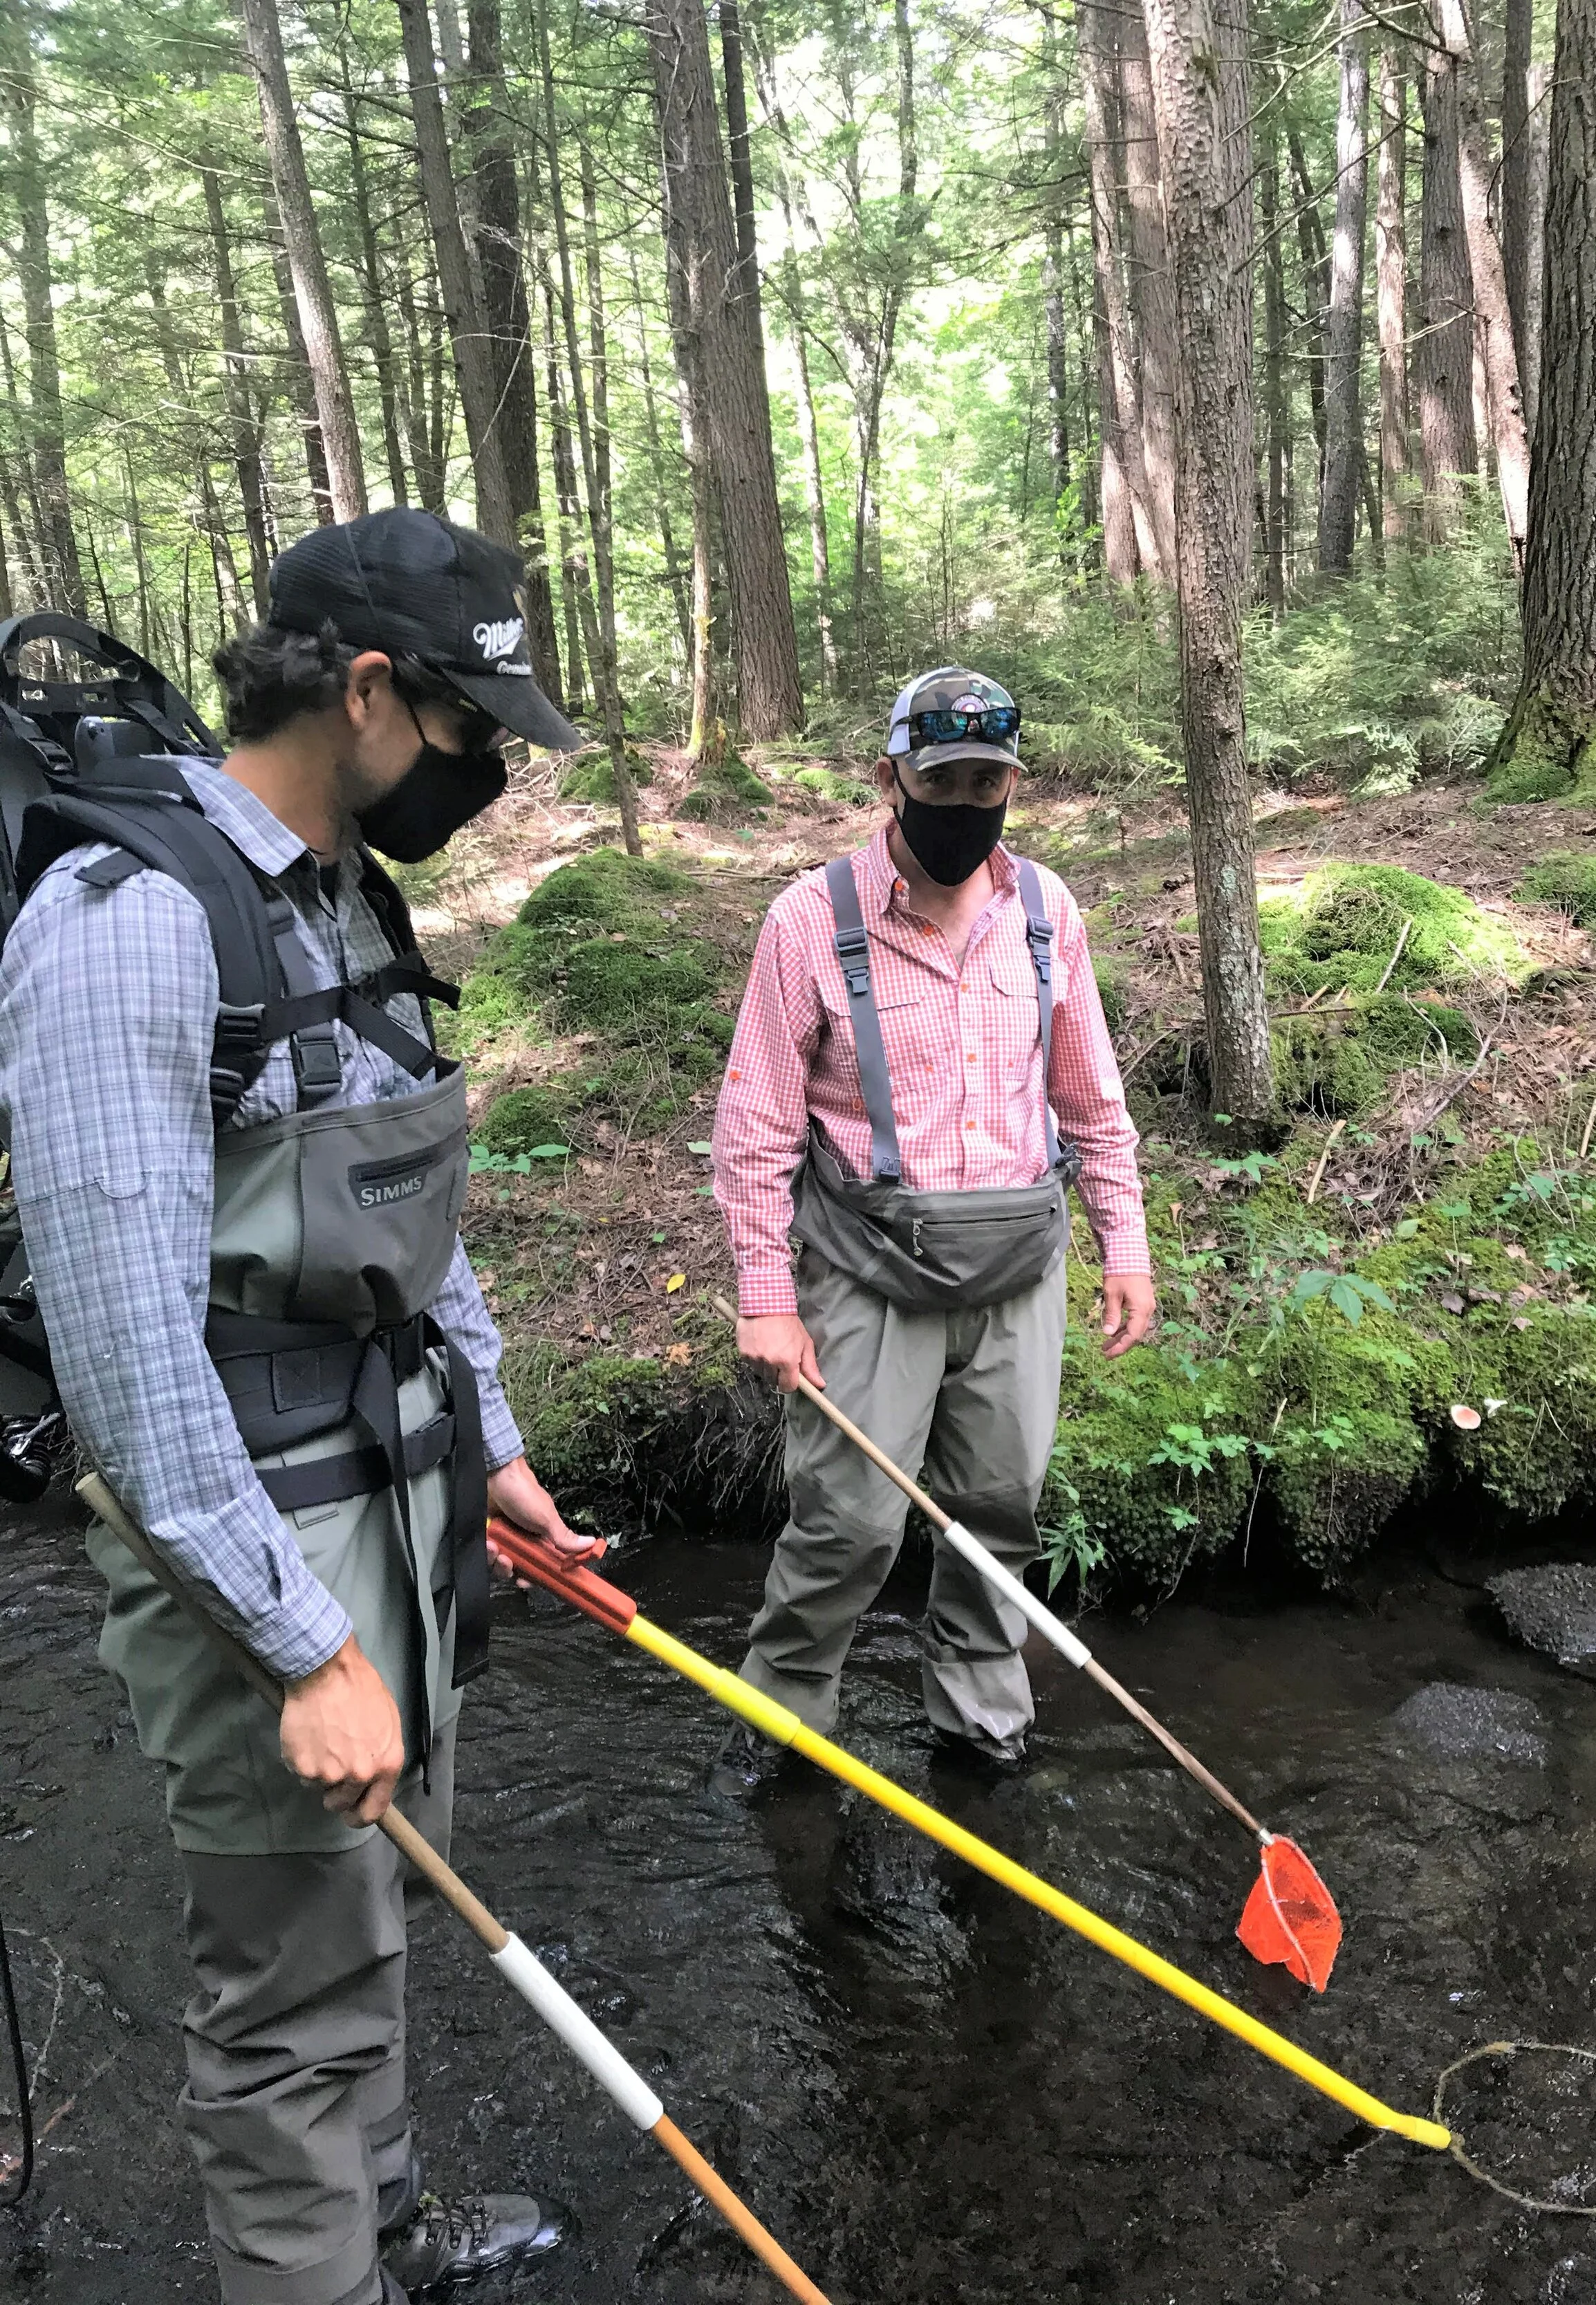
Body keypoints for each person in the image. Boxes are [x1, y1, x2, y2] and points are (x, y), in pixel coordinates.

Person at [0, 510, 593, 2304]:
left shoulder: (339, 889)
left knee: (377, 1923)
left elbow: (413, 1219)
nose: (486, 763)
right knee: (284, 2012)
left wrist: (488, 1443)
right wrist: (296, 1644)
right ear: (363, 691)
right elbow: (118, 1357)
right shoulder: (125, 920)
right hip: (253, 1548)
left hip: (401, 1507)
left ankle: (388, 2230)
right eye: (471, 722)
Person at [710, 666, 1154, 1789]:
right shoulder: (811, 920)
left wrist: (1125, 1244)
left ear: (1014, 784)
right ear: (890, 779)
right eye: (943, 780)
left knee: (1000, 1511)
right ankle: (786, 1719)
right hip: (866, 1270)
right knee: (849, 1522)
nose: (966, 804)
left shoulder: (1049, 915)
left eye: (988, 782)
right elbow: (756, 1123)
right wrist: (767, 1294)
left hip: (1018, 1269)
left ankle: (978, 1715)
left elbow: (1092, 1098)